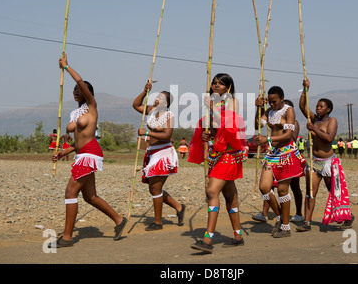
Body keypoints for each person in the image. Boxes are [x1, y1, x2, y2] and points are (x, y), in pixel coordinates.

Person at [50, 53, 126, 248]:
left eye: (79, 89)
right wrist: (63, 152)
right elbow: (77, 143)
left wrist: (67, 67)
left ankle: (67, 237)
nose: (76, 91)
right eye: (74, 90)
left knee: (70, 193)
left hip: (90, 154)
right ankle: (118, 219)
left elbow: (80, 82)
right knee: (89, 196)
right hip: (81, 153)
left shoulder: (92, 107)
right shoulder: (75, 113)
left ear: (87, 93)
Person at [189, 73, 246, 253]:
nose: (216, 86)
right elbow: (214, 129)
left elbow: (229, 126)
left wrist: (212, 107)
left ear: (228, 87)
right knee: (230, 196)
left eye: (220, 84)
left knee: (212, 191)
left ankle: (207, 239)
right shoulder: (211, 105)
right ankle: (238, 235)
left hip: (229, 155)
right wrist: (207, 135)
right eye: (214, 83)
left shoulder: (233, 102)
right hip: (216, 154)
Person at [296, 79, 353, 232]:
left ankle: (348, 215)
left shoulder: (331, 121)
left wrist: (313, 128)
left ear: (328, 109)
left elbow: (329, 138)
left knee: (333, 191)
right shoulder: (314, 119)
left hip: (328, 162)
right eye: (317, 106)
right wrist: (305, 89)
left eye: (321, 107)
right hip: (314, 162)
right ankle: (307, 222)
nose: (318, 108)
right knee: (310, 192)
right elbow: (302, 106)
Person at [254, 87, 306, 238]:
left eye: (274, 101)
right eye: (269, 102)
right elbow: (257, 125)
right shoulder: (268, 111)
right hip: (272, 154)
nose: (272, 104)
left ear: (282, 98)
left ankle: (285, 227)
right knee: (264, 188)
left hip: (286, 153)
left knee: (283, 191)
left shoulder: (288, 111)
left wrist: (267, 139)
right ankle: (280, 217)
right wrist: (258, 108)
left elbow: (289, 135)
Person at [133, 82, 185, 231]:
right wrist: (144, 91)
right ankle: (178, 207)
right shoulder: (150, 111)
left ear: (166, 103)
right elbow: (136, 105)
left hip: (163, 152)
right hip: (152, 152)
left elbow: (167, 135)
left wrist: (147, 133)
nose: (157, 99)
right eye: (157, 96)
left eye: (161, 98)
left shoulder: (169, 115)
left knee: (155, 189)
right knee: (154, 188)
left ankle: (158, 222)